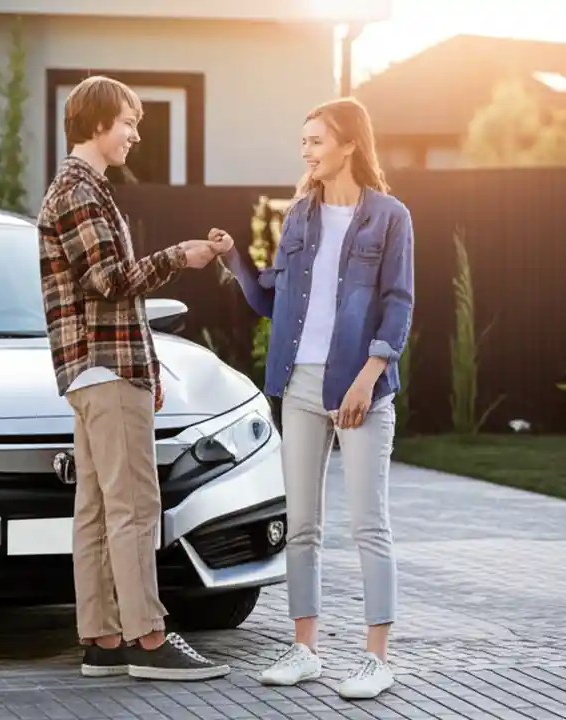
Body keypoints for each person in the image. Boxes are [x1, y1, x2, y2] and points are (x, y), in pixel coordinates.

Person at [212, 97, 415, 700]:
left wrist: (369, 374)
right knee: (300, 525)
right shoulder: (299, 215)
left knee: (368, 525)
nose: (306, 151)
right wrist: (233, 259)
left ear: (349, 143)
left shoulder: (390, 216)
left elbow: (399, 301)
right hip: (298, 384)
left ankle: (378, 659)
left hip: (360, 388)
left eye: (316, 140)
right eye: (302, 142)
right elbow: (271, 301)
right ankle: (305, 648)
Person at [37, 75, 229, 682]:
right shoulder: (78, 191)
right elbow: (109, 281)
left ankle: (101, 639)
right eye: (128, 123)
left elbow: (109, 298)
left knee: (96, 508)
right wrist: (180, 256)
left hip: (102, 369)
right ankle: (149, 639)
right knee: (136, 506)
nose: (134, 135)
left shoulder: (82, 189)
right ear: (97, 123)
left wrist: (143, 366)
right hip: (104, 369)